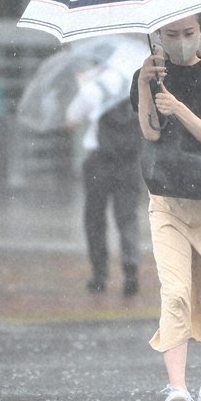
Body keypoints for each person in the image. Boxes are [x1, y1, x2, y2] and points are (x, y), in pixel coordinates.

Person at [132, 13, 201, 401]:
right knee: (174, 292)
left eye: (188, 34)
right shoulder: (150, 75)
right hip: (167, 199)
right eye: (171, 35)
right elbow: (151, 133)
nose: (180, 42)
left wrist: (177, 106)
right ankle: (177, 388)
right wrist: (145, 86)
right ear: (158, 35)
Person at [65, 40, 144, 298]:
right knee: (127, 218)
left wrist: (84, 86)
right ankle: (130, 267)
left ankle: (99, 275)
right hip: (130, 162)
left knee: (95, 219)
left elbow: (70, 120)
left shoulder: (92, 87)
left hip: (100, 162)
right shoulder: (136, 84)